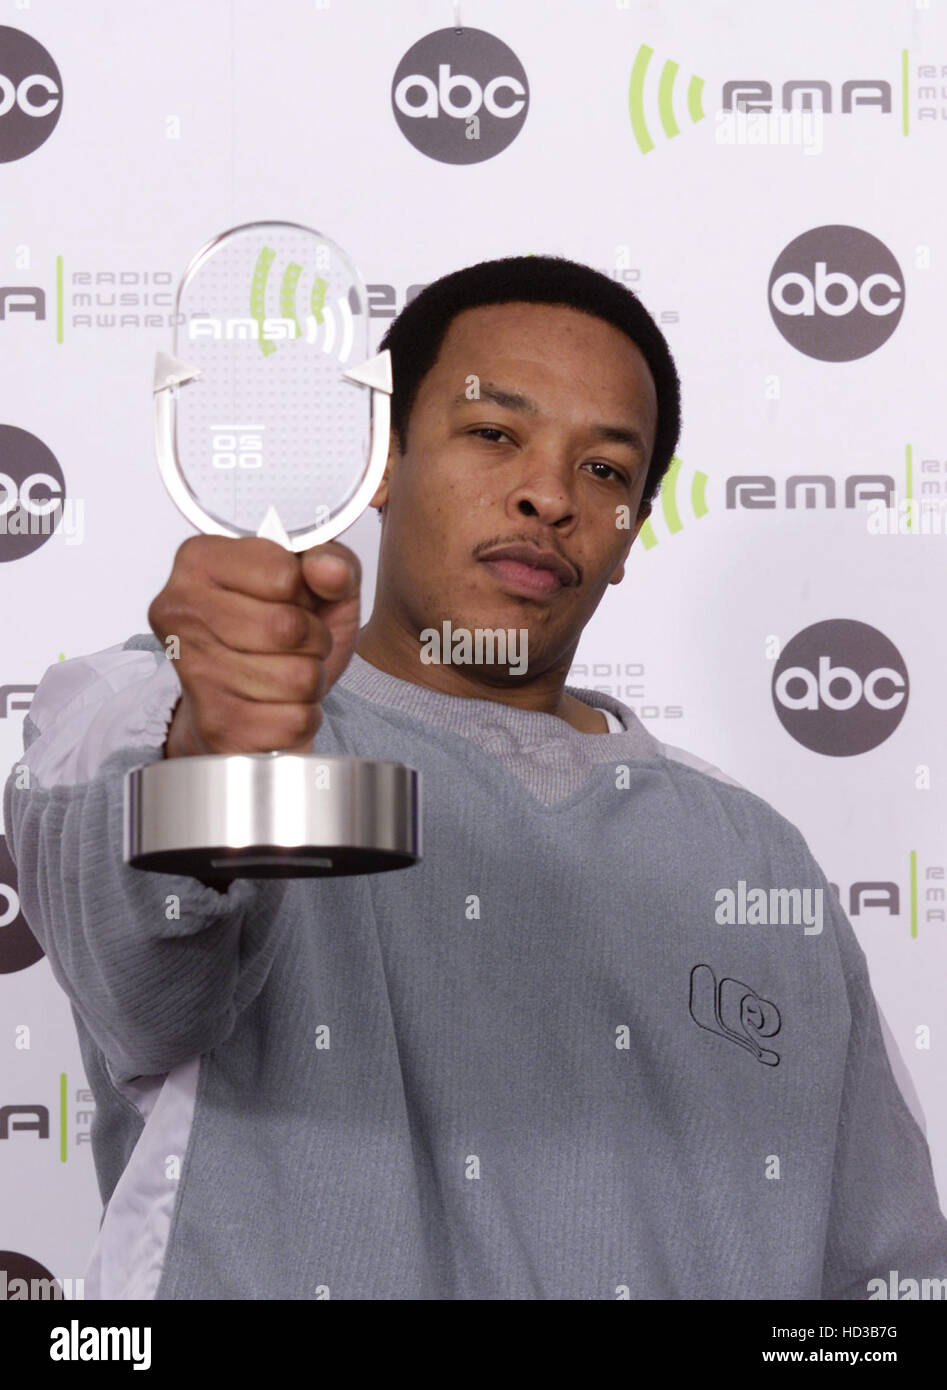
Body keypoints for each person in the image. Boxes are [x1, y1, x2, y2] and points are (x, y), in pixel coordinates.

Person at [6, 255, 947, 1300]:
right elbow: (123, 893)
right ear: (383, 458)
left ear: (632, 533)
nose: (548, 494)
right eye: (494, 432)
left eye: (604, 470)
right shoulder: (169, 716)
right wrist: (219, 743)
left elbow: (886, 1276)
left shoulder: (757, 858)